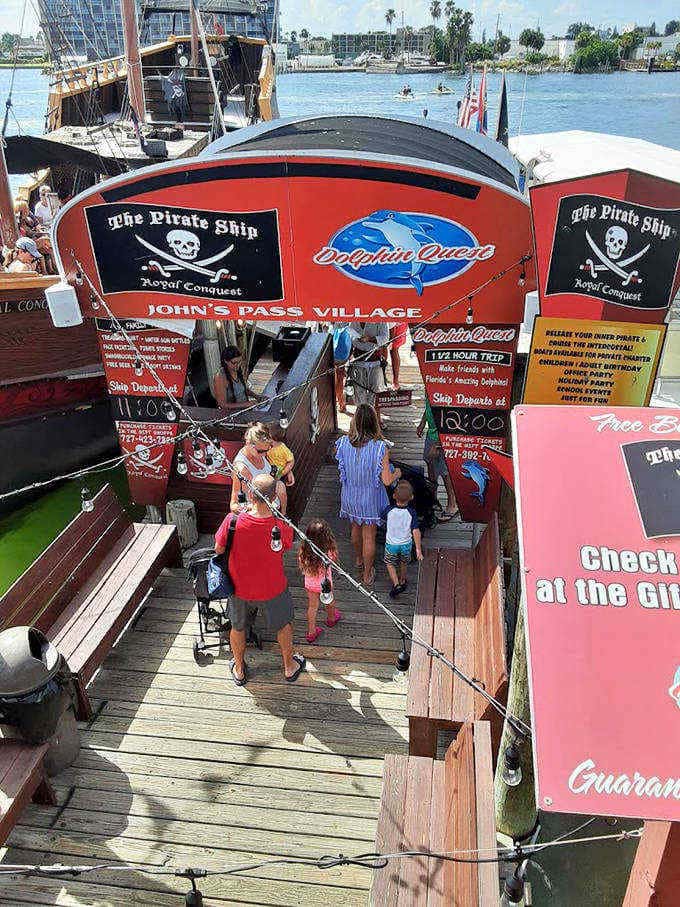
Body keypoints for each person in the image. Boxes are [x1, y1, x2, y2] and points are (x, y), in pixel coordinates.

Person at [215, 474, 306, 685]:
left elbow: (218, 549)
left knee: (237, 627)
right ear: (275, 496)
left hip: (238, 587)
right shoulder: (281, 526)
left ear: (249, 494)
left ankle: (239, 669)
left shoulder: (232, 521)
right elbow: (283, 548)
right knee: (283, 625)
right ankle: (288, 666)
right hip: (272, 587)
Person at [335, 402, 400, 587]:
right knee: (369, 537)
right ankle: (366, 574)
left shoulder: (342, 443)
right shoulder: (380, 447)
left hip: (349, 495)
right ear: (374, 422)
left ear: (354, 422)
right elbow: (387, 480)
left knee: (355, 529)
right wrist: (397, 474)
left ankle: (358, 559)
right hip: (370, 498)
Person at [298, 519, 341, 643]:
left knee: (312, 607)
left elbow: (301, 562)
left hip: (310, 584)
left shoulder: (304, 551)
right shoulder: (329, 551)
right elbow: (333, 560)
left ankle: (311, 632)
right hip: (325, 584)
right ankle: (331, 619)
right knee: (330, 601)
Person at [231, 423, 287, 514]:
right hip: (260, 513)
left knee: (281, 485)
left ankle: (284, 516)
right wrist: (261, 505)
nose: (265, 454)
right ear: (248, 443)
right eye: (261, 451)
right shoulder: (242, 469)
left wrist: (289, 471)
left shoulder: (261, 450)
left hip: (273, 505)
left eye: (268, 449)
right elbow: (234, 505)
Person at [416, 401, 458, 521]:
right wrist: (423, 422)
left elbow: (450, 416)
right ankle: (433, 500)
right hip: (431, 433)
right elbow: (428, 406)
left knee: (445, 471)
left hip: (443, 436)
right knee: (430, 466)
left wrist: (438, 445)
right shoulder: (428, 386)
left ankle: (452, 504)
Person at [382, 480, 423, 598]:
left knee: (390, 563)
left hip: (391, 544)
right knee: (404, 562)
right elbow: (415, 530)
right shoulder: (412, 513)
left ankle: (396, 584)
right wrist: (418, 550)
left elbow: (382, 517)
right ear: (411, 497)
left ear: (394, 496)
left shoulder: (389, 510)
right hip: (406, 544)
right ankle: (403, 580)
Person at [347, 321, 389, 407]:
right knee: (359, 392)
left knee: (375, 391)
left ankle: (373, 416)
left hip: (375, 361)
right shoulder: (353, 319)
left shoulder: (381, 319)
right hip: (358, 361)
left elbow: (385, 338)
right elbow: (350, 338)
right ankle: (361, 416)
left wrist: (369, 339)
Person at [389, 323, 408, 390]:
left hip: (398, 320)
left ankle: (395, 381)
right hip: (384, 318)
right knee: (382, 347)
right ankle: (382, 378)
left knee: (394, 348)